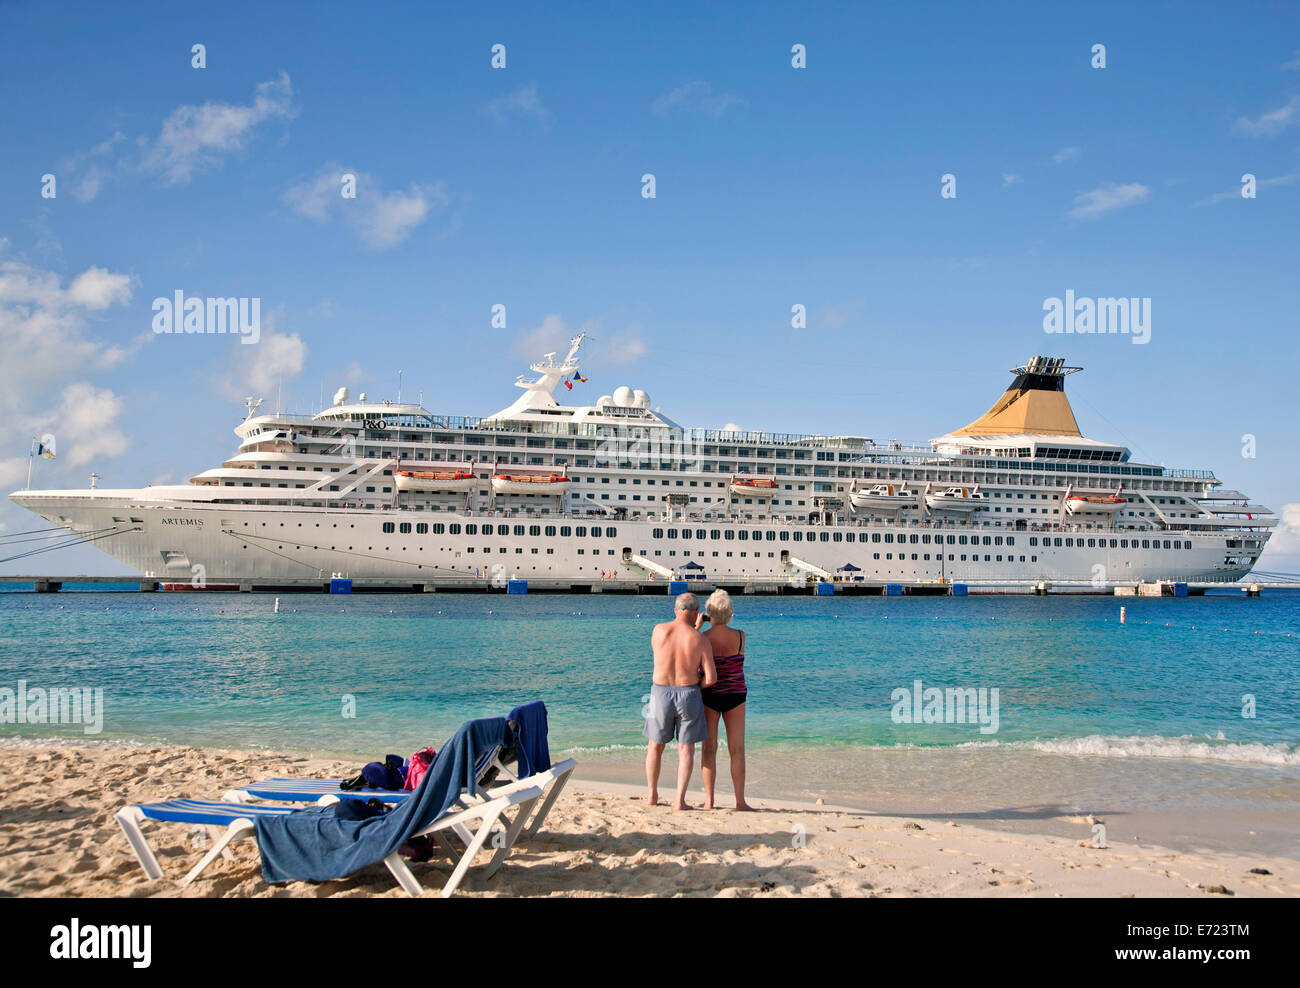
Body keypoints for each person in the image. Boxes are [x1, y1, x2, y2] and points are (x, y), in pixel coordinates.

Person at [644, 592, 716, 810]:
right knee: (686, 750)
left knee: (655, 746)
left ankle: (652, 795)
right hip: (688, 693)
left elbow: (672, 645)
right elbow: (711, 678)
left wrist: (694, 625)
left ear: (676, 610)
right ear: (696, 612)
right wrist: (696, 685)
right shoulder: (700, 639)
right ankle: (679, 801)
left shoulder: (658, 631)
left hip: (660, 692)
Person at [698, 589, 754, 810]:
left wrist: (698, 625)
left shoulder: (703, 638)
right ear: (729, 612)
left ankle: (709, 800)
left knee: (708, 749)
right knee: (737, 750)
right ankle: (740, 801)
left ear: (709, 612)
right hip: (736, 695)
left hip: (709, 695)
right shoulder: (740, 636)